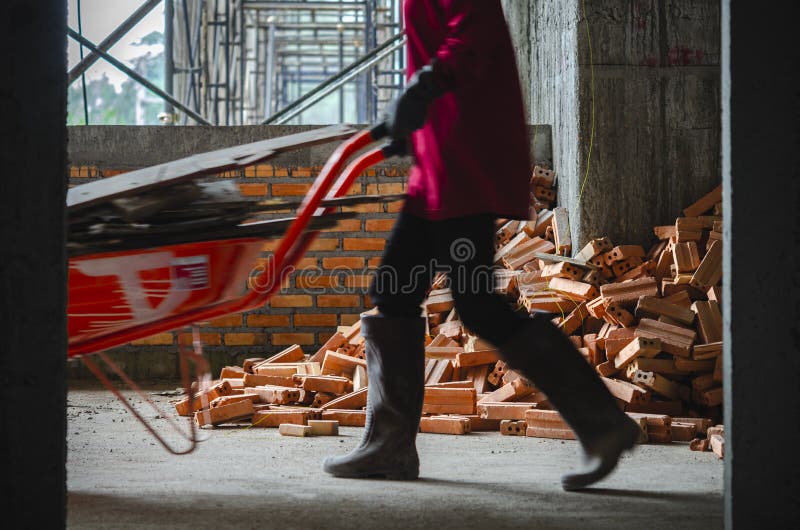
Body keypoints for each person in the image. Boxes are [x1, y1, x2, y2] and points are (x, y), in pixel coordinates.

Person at [323, 0, 640, 491]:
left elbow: (472, 37)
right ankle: (388, 446)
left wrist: (423, 87)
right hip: (438, 164)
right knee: (395, 292)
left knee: (478, 306)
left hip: (463, 165)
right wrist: (410, 111)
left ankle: (602, 423)